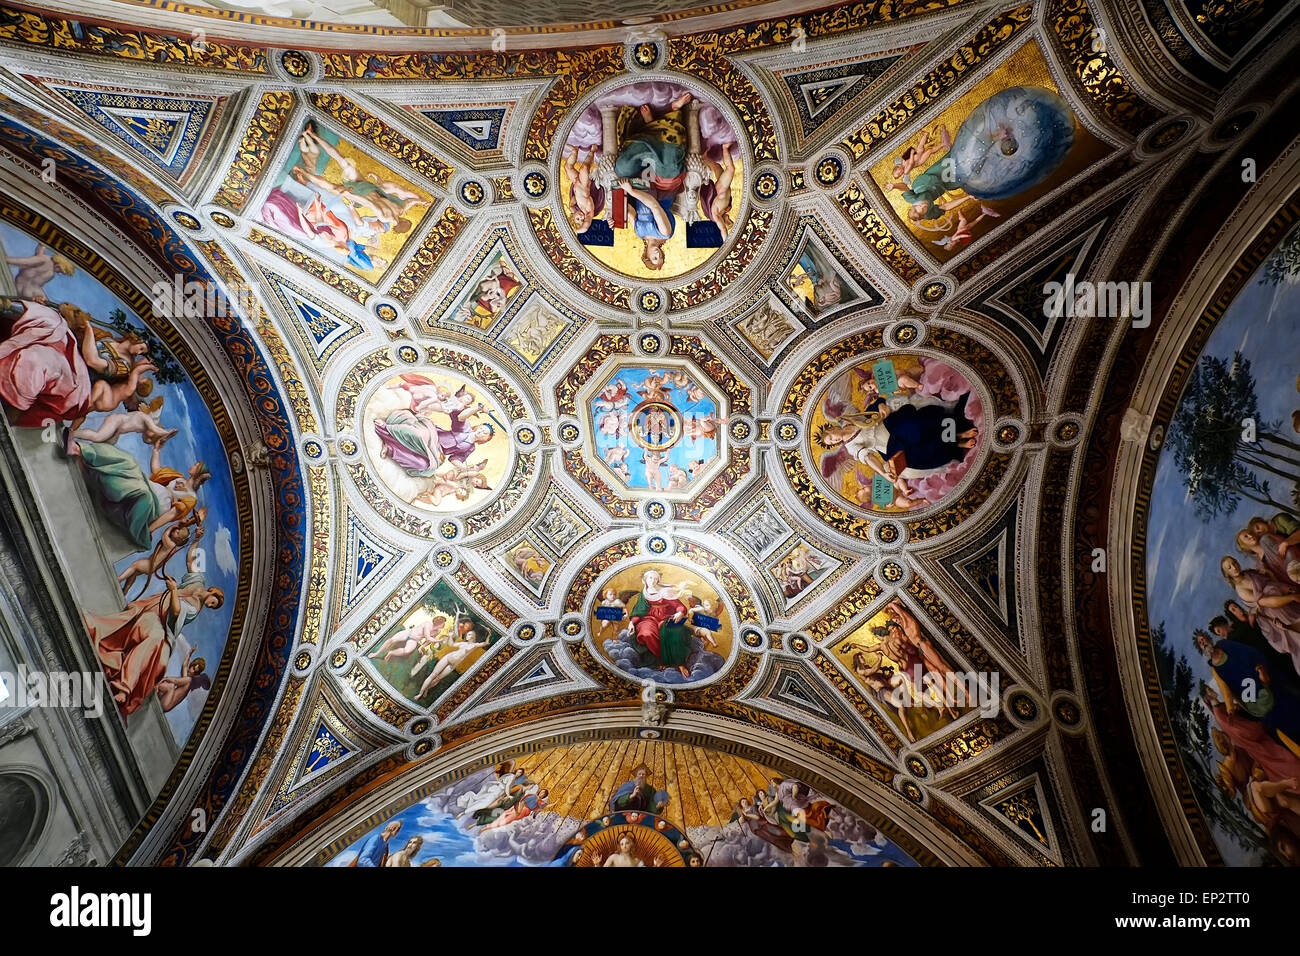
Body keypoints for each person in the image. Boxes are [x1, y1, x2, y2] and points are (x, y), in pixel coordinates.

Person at [85, 547, 223, 716]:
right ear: (211, 592)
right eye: (213, 602)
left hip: (165, 627)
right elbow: (190, 560)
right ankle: (125, 687)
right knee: (153, 640)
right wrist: (196, 541)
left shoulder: (194, 609)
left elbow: (177, 610)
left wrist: (173, 591)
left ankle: (126, 684)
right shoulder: (198, 581)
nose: (210, 606)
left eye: (213, 606)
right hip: (154, 612)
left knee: (162, 660)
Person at [626, 569, 694, 677]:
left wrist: (680, 613)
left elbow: (679, 606)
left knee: (674, 632)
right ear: (645, 580)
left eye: (656, 578)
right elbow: (638, 611)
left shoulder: (665, 591)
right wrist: (631, 623)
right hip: (649, 618)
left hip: (666, 617)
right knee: (646, 633)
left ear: (658, 580)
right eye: (650, 578)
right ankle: (662, 659)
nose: (653, 581)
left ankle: (679, 663)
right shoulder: (644, 594)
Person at [154, 645, 209, 714]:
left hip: (166, 705)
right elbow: (185, 666)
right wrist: (190, 653)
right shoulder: (187, 678)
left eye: (195, 671)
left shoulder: (189, 680)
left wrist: (163, 680)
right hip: (166, 701)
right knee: (168, 685)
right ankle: (155, 689)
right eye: (193, 668)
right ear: (192, 665)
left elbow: (175, 681)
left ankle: (155, 687)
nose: (192, 671)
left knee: (171, 686)